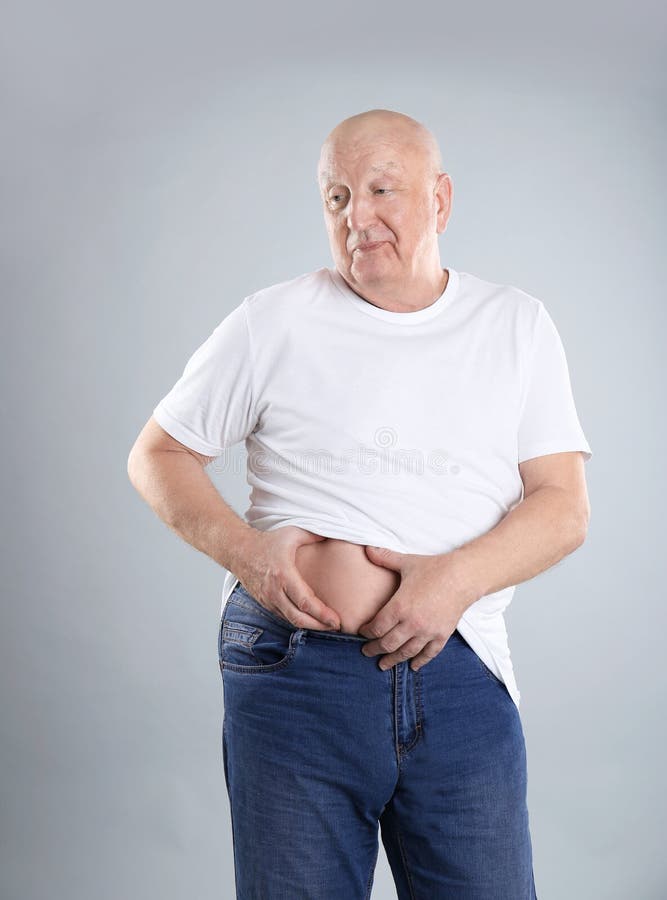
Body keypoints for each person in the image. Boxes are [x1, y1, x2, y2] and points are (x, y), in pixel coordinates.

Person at [127, 107, 592, 899]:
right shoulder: (271, 321)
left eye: (382, 190)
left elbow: (561, 508)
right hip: (295, 676)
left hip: (459, 671)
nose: (357, 216)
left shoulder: (514, 325)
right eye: (336, 196)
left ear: (439, 200)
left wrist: (449, 584)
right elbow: (157, 455)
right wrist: (244, 552)